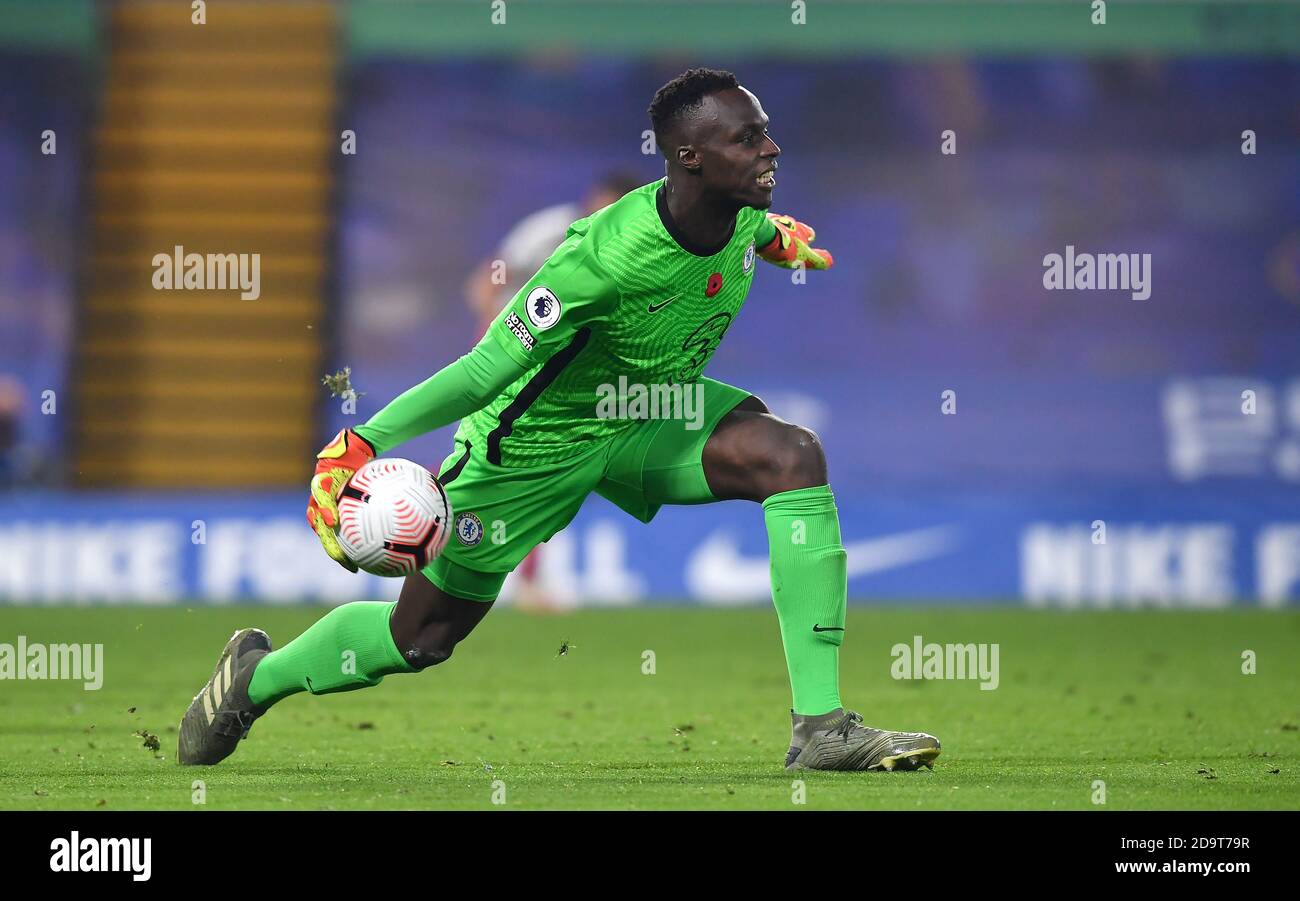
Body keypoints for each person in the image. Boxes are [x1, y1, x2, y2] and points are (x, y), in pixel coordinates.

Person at [178, 67, 941, 773]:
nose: (770, 146)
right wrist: (363, 439)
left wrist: (777, 240)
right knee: (420, 640)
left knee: (791, 457)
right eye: (746, 138)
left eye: (765, 129)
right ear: (689, 158)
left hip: (645, 414)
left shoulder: (742, 212)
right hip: (532, 447)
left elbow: (750, 234)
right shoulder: (601, 258)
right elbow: (484, 372)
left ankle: (821, 729)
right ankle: (256, 677)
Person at [462, 171, 643, 611]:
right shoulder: (550, 231)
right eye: (600, 206)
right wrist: (495, 348)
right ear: (590, 200)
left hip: (556, 371)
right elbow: (483, 284)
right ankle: (407, 516)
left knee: (519, 465)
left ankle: (519, 576)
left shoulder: (630, 248)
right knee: (494, 460)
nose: (604, 215)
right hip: (511, 357)